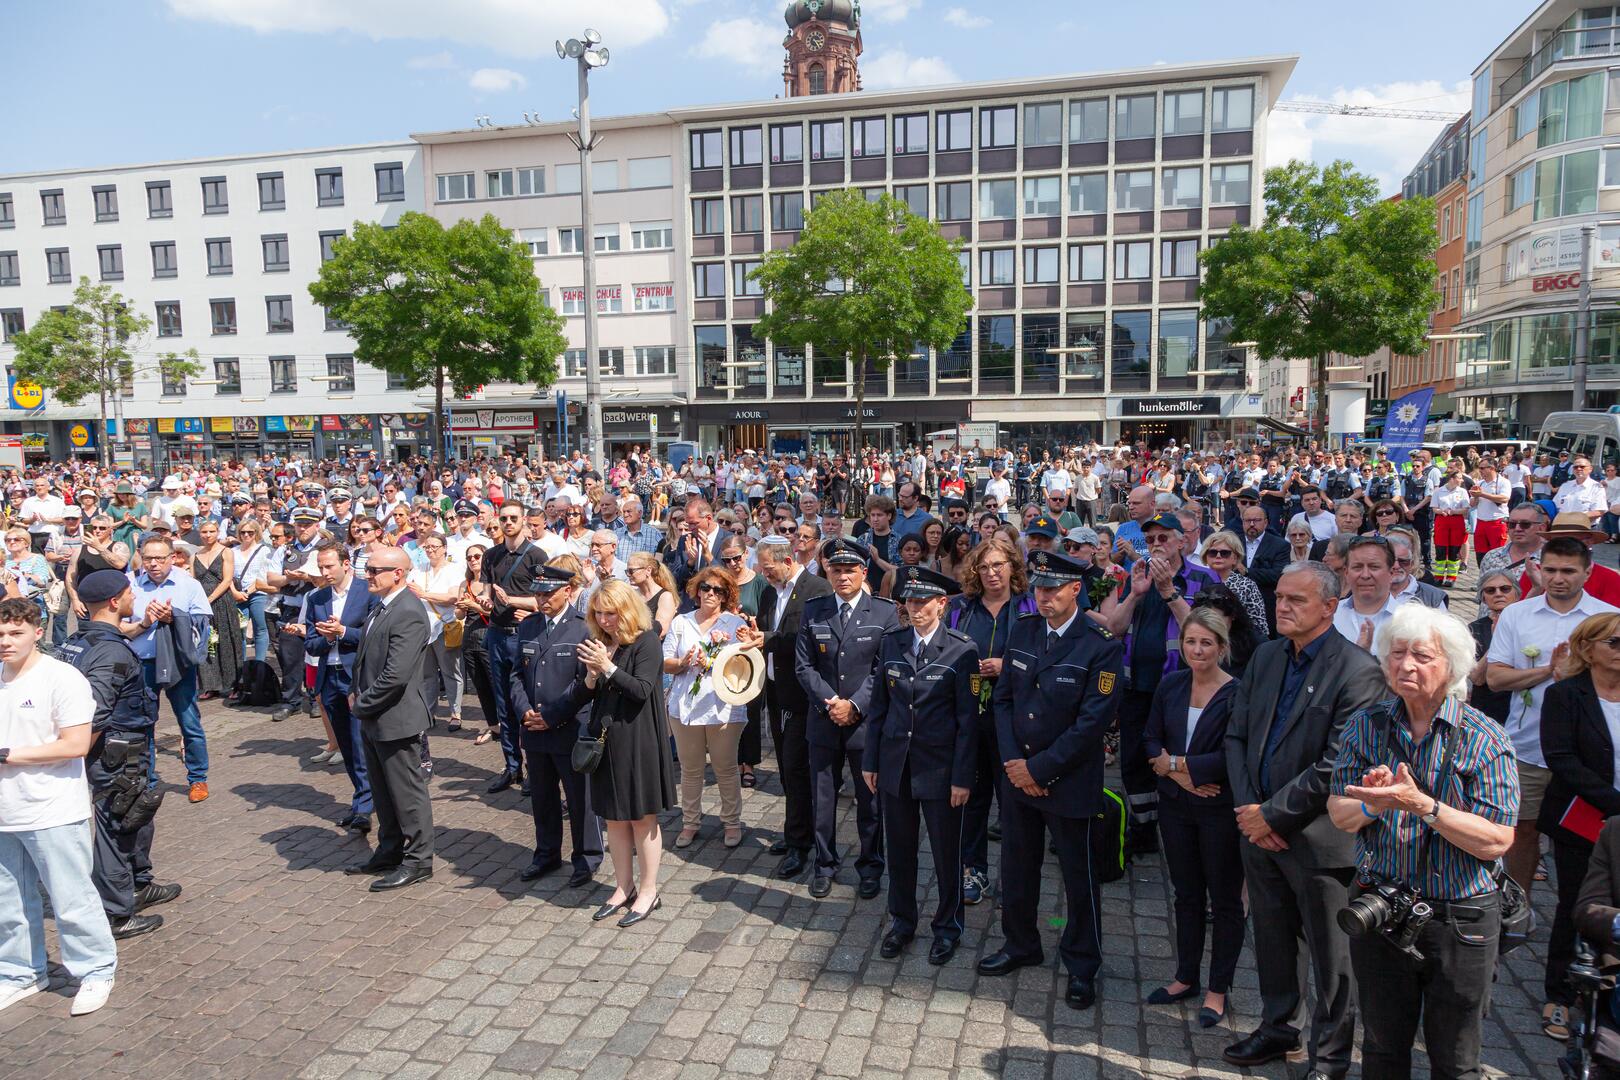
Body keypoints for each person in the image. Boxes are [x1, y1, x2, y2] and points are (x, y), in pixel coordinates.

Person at [1327, 604, 1518, 1079]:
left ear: (1451, 666)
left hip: (1459, 919)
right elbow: (1339, 813)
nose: (1406, 665)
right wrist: (1375, 805)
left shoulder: (1485, 738)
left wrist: (1423, 806)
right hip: (1381, 909)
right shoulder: (1366, 725)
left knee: (1455, 1060)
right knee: (1381, 1048)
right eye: (1397, 654)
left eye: (1421, 656)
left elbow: (1496, 840)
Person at [1221, 562, 1385, 1075]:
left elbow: (1337, 764)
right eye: (1279, 598)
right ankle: (1278, 1029)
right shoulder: (1267, 655)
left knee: (1332, 958)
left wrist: (1272, 816)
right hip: (1258, 831)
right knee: (1272, 939)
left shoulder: (1358, 670)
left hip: (1318, 843)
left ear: (1330, 606)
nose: (1283, 607)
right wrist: (1251, 812)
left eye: (1296, 600)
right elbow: (1237, 734)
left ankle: (1330, 1057)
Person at [978, 550, 1123, 1009]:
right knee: (1017, 868)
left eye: (1053, 589)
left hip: (1068, 780)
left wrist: (1039, 770)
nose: (1043, 597)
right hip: (1018, 777)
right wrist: (1013, 765)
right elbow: (1003, 700)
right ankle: (1020, 943)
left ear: (1075, 589)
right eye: (1039, 588)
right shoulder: (1023, 630)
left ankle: (1082, 962)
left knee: (1079, 877)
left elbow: (1092, 723)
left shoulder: (1100, 644)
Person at [1487, 532, 1618, 975]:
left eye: (1568, 571)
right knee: (1522, 832)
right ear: (1538, 569)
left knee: (1587, 846)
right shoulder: (1518, 614)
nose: (1558, 579)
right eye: (1550, 570)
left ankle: (1580, 919)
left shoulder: (1607, 621)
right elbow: (1496, 679)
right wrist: (1548, 672)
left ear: (1588, 572)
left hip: (1589, 759)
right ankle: (1517, 909)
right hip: (1527, 746)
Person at [0, 595, 117, 1016]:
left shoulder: (62, 678)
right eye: (0, 634)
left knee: (71, 898)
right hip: (5, 812)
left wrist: (9, 755)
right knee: (8, 901)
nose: (6, 641)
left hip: (52, 809)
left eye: (15, 633)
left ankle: (96, 970)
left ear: (37, 632)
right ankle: (21, 972)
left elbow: (76, 744)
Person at [861, 565, 977, 965]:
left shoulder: (962, 650)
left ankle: (948, 927)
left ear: (942, 604)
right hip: (897, 765)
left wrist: (963, 777)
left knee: (946, 855)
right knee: (900, 851)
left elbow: (968, 722)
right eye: (909, 601)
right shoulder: (892, 643)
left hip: (940, 769)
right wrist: (871, 760)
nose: (914, 608)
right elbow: (879, 708)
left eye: (923, 601)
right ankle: (902, 922)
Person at [58, 569, 178, 942]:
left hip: (124, 748)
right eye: (129, 593)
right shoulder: (110, 652)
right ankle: (116, 912)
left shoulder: (82, 640)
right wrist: (75, 753)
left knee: (139, 814)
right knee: (118, 825)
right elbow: (95, 712)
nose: (133, 597)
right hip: (117, 752)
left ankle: (140, 883)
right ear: (114, 601)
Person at [1143, 606, 1242, 1028]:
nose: (1197, 650)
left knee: (1224, 900)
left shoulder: (1237, 693)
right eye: (1190, 641)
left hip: (1218, 810)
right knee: (1186, 894)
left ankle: (1218, 989)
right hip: (1175, 806)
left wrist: (1175, 765)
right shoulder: (1171, 684)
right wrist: (1179, 776)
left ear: (1221, 646)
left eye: (1206, 643)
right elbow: (1150, 737)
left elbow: (1233, 754)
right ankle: (1185, 976)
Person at [1104, 513, 1221, 855]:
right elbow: (1115, 628)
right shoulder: (1137, 575)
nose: (1156, 545)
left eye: (1163, 538)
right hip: (1135, 686)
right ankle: (1143, 829)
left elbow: (1206, 633)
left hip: (1181, 689)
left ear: (1182, 541)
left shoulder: (1202, 577)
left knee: (1173, 760)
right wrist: (1135, 595)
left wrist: (1169, 591)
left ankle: (1180, 833)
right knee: (1134, 761)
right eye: (1150, 539)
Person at [795, 538, 896, 899]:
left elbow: (884, 669)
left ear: (863, 572)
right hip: (823, 720)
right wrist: (831, 703)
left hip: (864, 724)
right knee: (822, 800)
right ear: (827, 572)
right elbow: (804, 666)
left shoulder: (883, 612)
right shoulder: (814, 610)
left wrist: (854, 705)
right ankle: (824, 864)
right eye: (836, 570)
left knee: (870, 802)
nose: (842, 577)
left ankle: (870, 866)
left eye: (850, 570)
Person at [1539, 610, 1620, 1042]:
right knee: (1577, 905)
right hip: (1583, 818)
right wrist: (1615, 804)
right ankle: (1560, 994)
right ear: (1588, 649)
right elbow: (1561, 758)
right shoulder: (1566, 695)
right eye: (1615, 643)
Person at [577, 579, 676, 927]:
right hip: (606, 739)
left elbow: (642, 689)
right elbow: (586, 693)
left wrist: (607, 668)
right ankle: (623, 887)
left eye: (611, 613)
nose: (604, 620)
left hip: (638, 739)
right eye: (598, 614)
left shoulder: (646, 641)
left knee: (641, 818)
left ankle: (649, 890)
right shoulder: (601, 642)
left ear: (627, 610)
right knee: (614, 817)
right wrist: (592, 677)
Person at [346, 546, 435, 892]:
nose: (367, 576)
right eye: (366, 569)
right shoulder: (382, 605)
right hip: (375, 715)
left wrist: (362, 703)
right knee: (383, 792)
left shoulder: (409, 611)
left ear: (397, 573)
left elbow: (395, 675)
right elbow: (365, 658)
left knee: (407, 793)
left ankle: (418, 860)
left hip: (396, 717)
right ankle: (389, 850)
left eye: (374, 570)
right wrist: (356, 692)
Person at [509, 561, 602, 888]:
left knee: (579, 801)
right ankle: (547, 853)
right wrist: (524, 711)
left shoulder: (583, 627)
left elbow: (584, 685)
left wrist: (551, 716)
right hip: (534, 729)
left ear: (568, 590)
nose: (542, 599)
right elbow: (516, 675)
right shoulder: (529, 626)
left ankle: (586, 857)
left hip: (568, 729)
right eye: (538, 593)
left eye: (548, 593)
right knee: (543, 797)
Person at [756, 534, 833, 879]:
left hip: (803, 696)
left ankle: (801, 843)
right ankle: (795, 830)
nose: (765, 575)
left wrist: (767, 639)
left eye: (769, 568)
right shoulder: (771, 591)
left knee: (797, 767)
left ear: (787, 561)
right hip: (775, 691)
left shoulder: (817, 589)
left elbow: (809, 639)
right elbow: (765, 628)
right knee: (788, 770)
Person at [665, 567, 756, 851]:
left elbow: (744, 664)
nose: (711, 594)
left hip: (723, 707)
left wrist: (713, 663)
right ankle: (690, 822)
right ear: (697, 590)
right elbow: (666, 661)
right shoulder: (681, 622)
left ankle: (731, 822)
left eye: (718, 590)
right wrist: (683, 663)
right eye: (706, 588)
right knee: (690, 769)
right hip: (685, 706)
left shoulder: (734, 624)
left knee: (725, 767)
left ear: (726, 595)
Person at [120, 535, 212, 804]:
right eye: (148, 558)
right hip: (142, 663)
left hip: (177, 662)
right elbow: (118, 625)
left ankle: (198, 778)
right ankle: (147, 780)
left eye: (160, 558)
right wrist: (146, 622)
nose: (153, 564)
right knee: (144, 724)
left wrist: (175, 618)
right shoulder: (129, 584)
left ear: (172, 558)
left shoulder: (189, 585)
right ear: (140, 557)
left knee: (189, 722)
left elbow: (203, 625)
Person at [303, 543, 379, 833]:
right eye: (321, 567)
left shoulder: (366, 591)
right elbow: (311, 644)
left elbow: (374, 635)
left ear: (346, 564)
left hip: (355, 677)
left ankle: (364, 807)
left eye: (329, 566)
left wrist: (343, 632)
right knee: (346, 746)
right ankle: (362, 799)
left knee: (360, 744)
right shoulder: (317, 597)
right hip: (329, 677)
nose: (324, 572)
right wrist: (329, 638)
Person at [482, 504, 550, 796]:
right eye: (504, 518)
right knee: (503, 704)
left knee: (527, 702)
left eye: (513, 518)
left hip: (525, 636)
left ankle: (535, 768)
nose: (508, 522)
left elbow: (543, 600)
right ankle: (512, 766)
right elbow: (486, 591)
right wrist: (486, 601)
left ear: (524, 521)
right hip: (496, 634)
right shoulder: (491, 554)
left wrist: (511, 601)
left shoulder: (537, 556)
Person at [408, 532, 464, 731]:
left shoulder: (454, 570)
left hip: (444, 627)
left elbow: (452, 597)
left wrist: (424, 594)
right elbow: (408, 591)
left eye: (434, 547)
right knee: (427, 674)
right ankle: (429, 713)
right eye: (427, 547)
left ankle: (455, 713)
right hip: (422, 629)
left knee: (451, 671)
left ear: (444, 548)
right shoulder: (419, 569)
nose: (430, 550)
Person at [191, 519, 244, 702]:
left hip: (222, 601)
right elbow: (193, 581)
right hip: (202, 603)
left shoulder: (226, 552)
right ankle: (210, 685)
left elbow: (227, 580)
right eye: (204, 532)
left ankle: (234, 684)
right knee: (206, 643)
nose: (208, 535)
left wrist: (210, 599)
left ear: (217, 533)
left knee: (228, 641)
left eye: (211, 531)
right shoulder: (195, 555)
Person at [1197, 530, 1269, 640]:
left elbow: (1260, 627)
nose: (1218, 556)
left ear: (1235, 558)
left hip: (1238, 644)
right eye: (1212, 552)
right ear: (1206, 556)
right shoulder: (1196, 580)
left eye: (1225, 553)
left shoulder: (1247, 585)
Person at [1468, 569, 1518, 726]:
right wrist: (1497, 641)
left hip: (1520, 710)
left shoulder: (1528, 624)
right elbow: (1477, 678)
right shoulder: (1474, 629)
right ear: (1483, 598)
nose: (1498, 594)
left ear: (1516, 593)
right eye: (1490, 590)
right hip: (1487, 714)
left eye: (1505, 589)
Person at [1241, 505, 1292, 634]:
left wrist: (1246, 571)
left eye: (1256, 520)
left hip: (1266, 607)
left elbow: (1278, 574)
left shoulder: (1280, 545)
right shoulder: (1232, 542)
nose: (1252, 524)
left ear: (1266, 522)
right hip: (1236, 607)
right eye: (1248, 520)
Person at [627, 552, 678, 637]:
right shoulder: (632, 595)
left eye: (631, 571)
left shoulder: (665, 597)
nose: (628, 575)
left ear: (648, 570)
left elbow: (661, 630)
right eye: (627, 571)